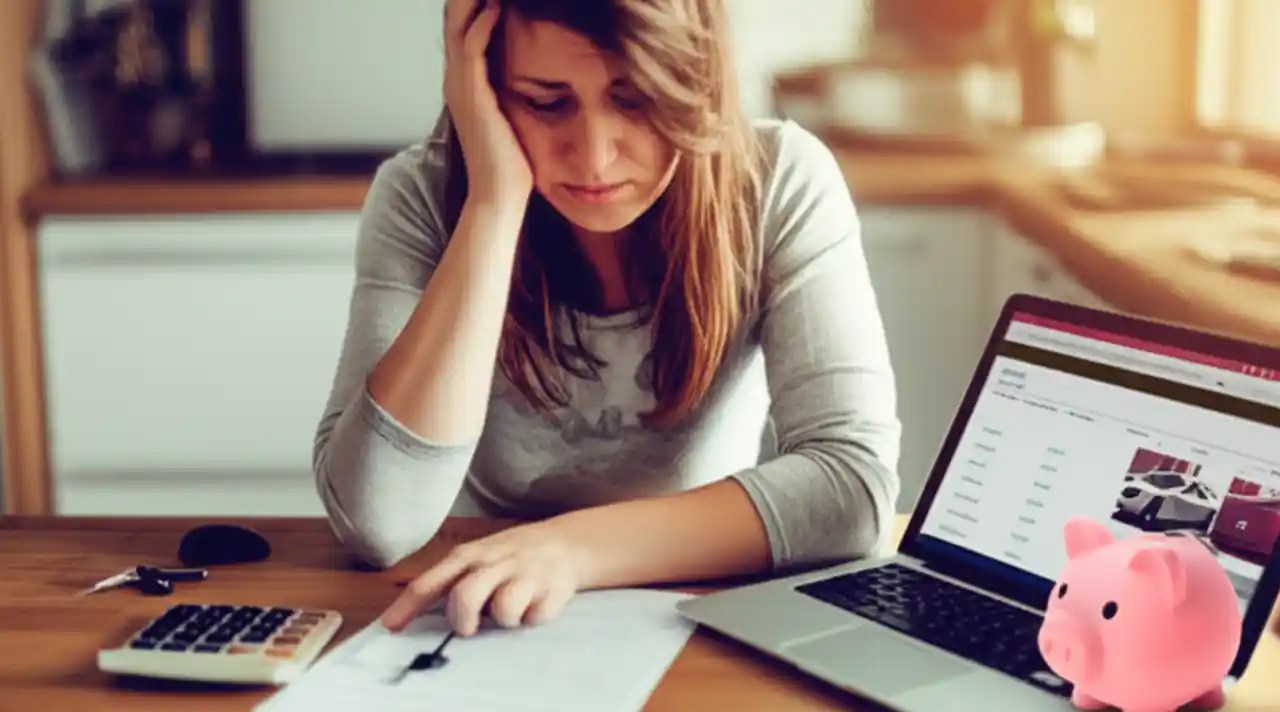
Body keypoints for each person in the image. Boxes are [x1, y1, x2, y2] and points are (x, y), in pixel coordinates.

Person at [313, 0, 902, 638]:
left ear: (696, 80)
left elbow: (853, 490)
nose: (594, 158)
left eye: (635, 99)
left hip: (694, 613)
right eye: (546, 102)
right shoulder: (420, 197)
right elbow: (379, 521)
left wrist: (571, 550)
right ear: (480, 84)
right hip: (491, 616)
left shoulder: (781, 179)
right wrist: (493, 202)